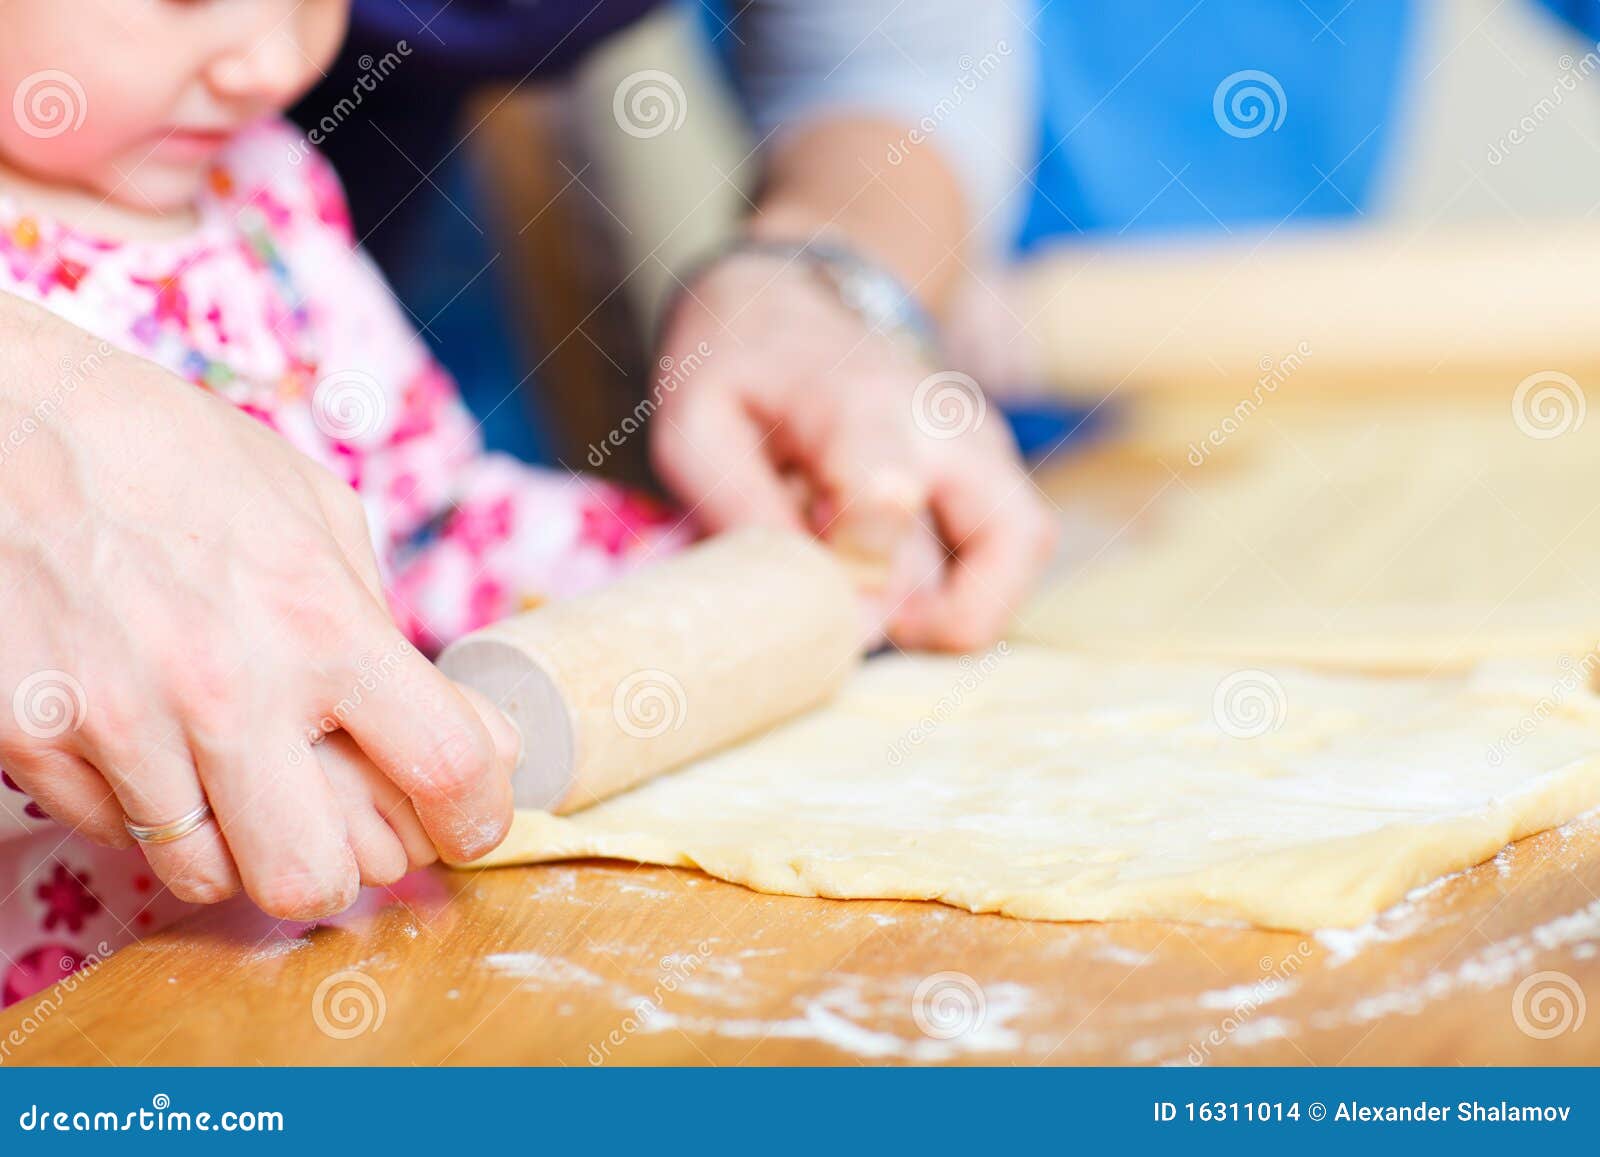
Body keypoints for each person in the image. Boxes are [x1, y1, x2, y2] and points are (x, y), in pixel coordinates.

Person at [0, 0, 1055, 1004]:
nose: (269, 61)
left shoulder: (265, 183)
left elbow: (437, 520)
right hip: (77, 1003)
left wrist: (707, 584)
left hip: (334, 969)